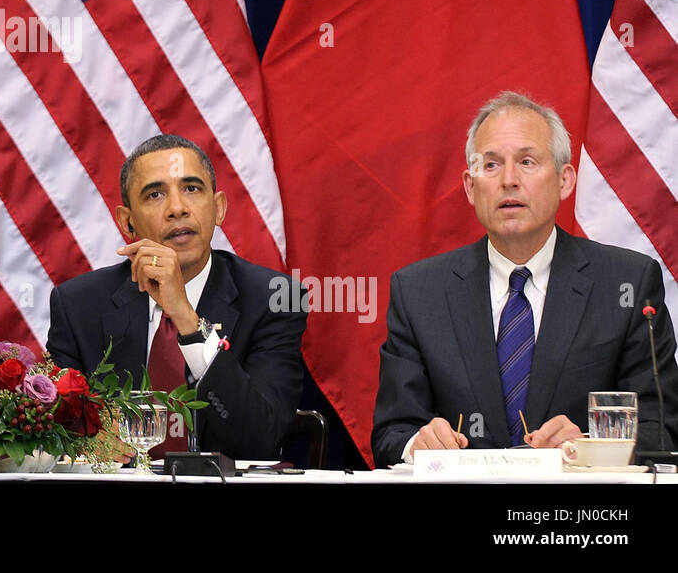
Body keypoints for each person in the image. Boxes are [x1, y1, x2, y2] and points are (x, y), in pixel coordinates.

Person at [372, 91, 678, 467]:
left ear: (565, 181)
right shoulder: (419, 292)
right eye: (491, 165)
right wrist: (417, 442)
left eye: (527, 161)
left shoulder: (625, 284)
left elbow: (662, 431)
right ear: (470, 187)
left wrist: (588, 445)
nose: (509, 180)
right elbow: (390, 435)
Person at [46, 134, 306, 460]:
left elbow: (259, 438)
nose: (177, 209)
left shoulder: (273, 299)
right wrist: (87, 442)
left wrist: (185, 317)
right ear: (126, 222)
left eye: (192, 189)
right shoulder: (78, 306)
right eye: (155, 194)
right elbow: (52, 434)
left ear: (219, 207)